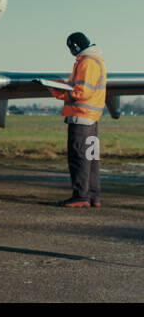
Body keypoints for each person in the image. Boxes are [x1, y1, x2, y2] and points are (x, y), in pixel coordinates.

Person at [49, 32, 107, 208]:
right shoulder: (96, 60)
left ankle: (80, 195)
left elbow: (81, 92)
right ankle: (93, 196)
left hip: (81, 118)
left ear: (74, 46)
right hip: (91, 119)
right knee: (91, 158)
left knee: (79, 157)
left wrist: (56, 91)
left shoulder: (87, 62)